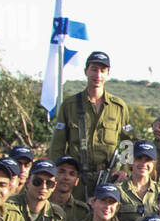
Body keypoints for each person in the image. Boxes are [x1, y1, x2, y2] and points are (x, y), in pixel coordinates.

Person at [48, 51, 134, 197]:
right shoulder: (70, 105)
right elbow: (58, 144)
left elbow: (128, 141)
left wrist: (125, 169)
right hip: (77, 178)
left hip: (108, 178)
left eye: (102, 70)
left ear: (108, 74)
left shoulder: (118, 107)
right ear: (86, 71)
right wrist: (57, 173)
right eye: (94, 69)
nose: (98, 75)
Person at [116, 140, 160, 221]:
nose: (143, 163)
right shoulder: (119, 190)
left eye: (148, 160)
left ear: (153, 164)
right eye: (139, 158)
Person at [49, 155, 92, 221]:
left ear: (76, 181)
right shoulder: (42, 204)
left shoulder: (82, 211)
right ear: (53, 176)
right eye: (62, 171)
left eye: (72, 174)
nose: (66, 177)